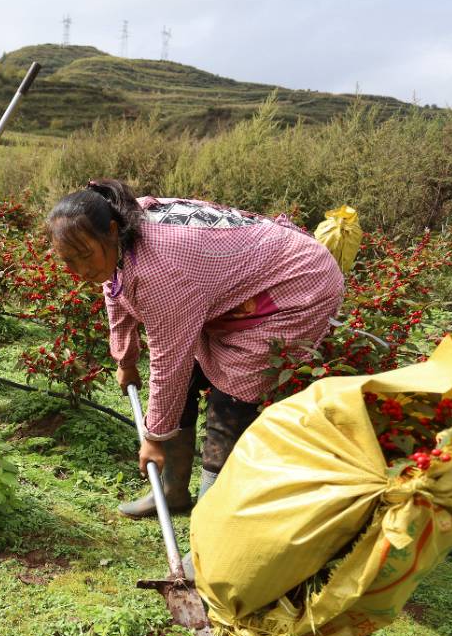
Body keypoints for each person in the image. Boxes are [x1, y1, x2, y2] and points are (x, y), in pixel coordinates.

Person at [46, 179, 344, 520]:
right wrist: (124, 358)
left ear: (111, 232)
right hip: (239, 288)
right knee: (187, 379)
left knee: (231, 398)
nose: (81, 271)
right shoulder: (118, 232)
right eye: (68, 261)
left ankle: (209, 530)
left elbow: (168, 359)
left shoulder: (160, 267)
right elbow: (114, 285)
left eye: (85, 256)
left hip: (295, 285)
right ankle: (171, 493)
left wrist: (154, 438)